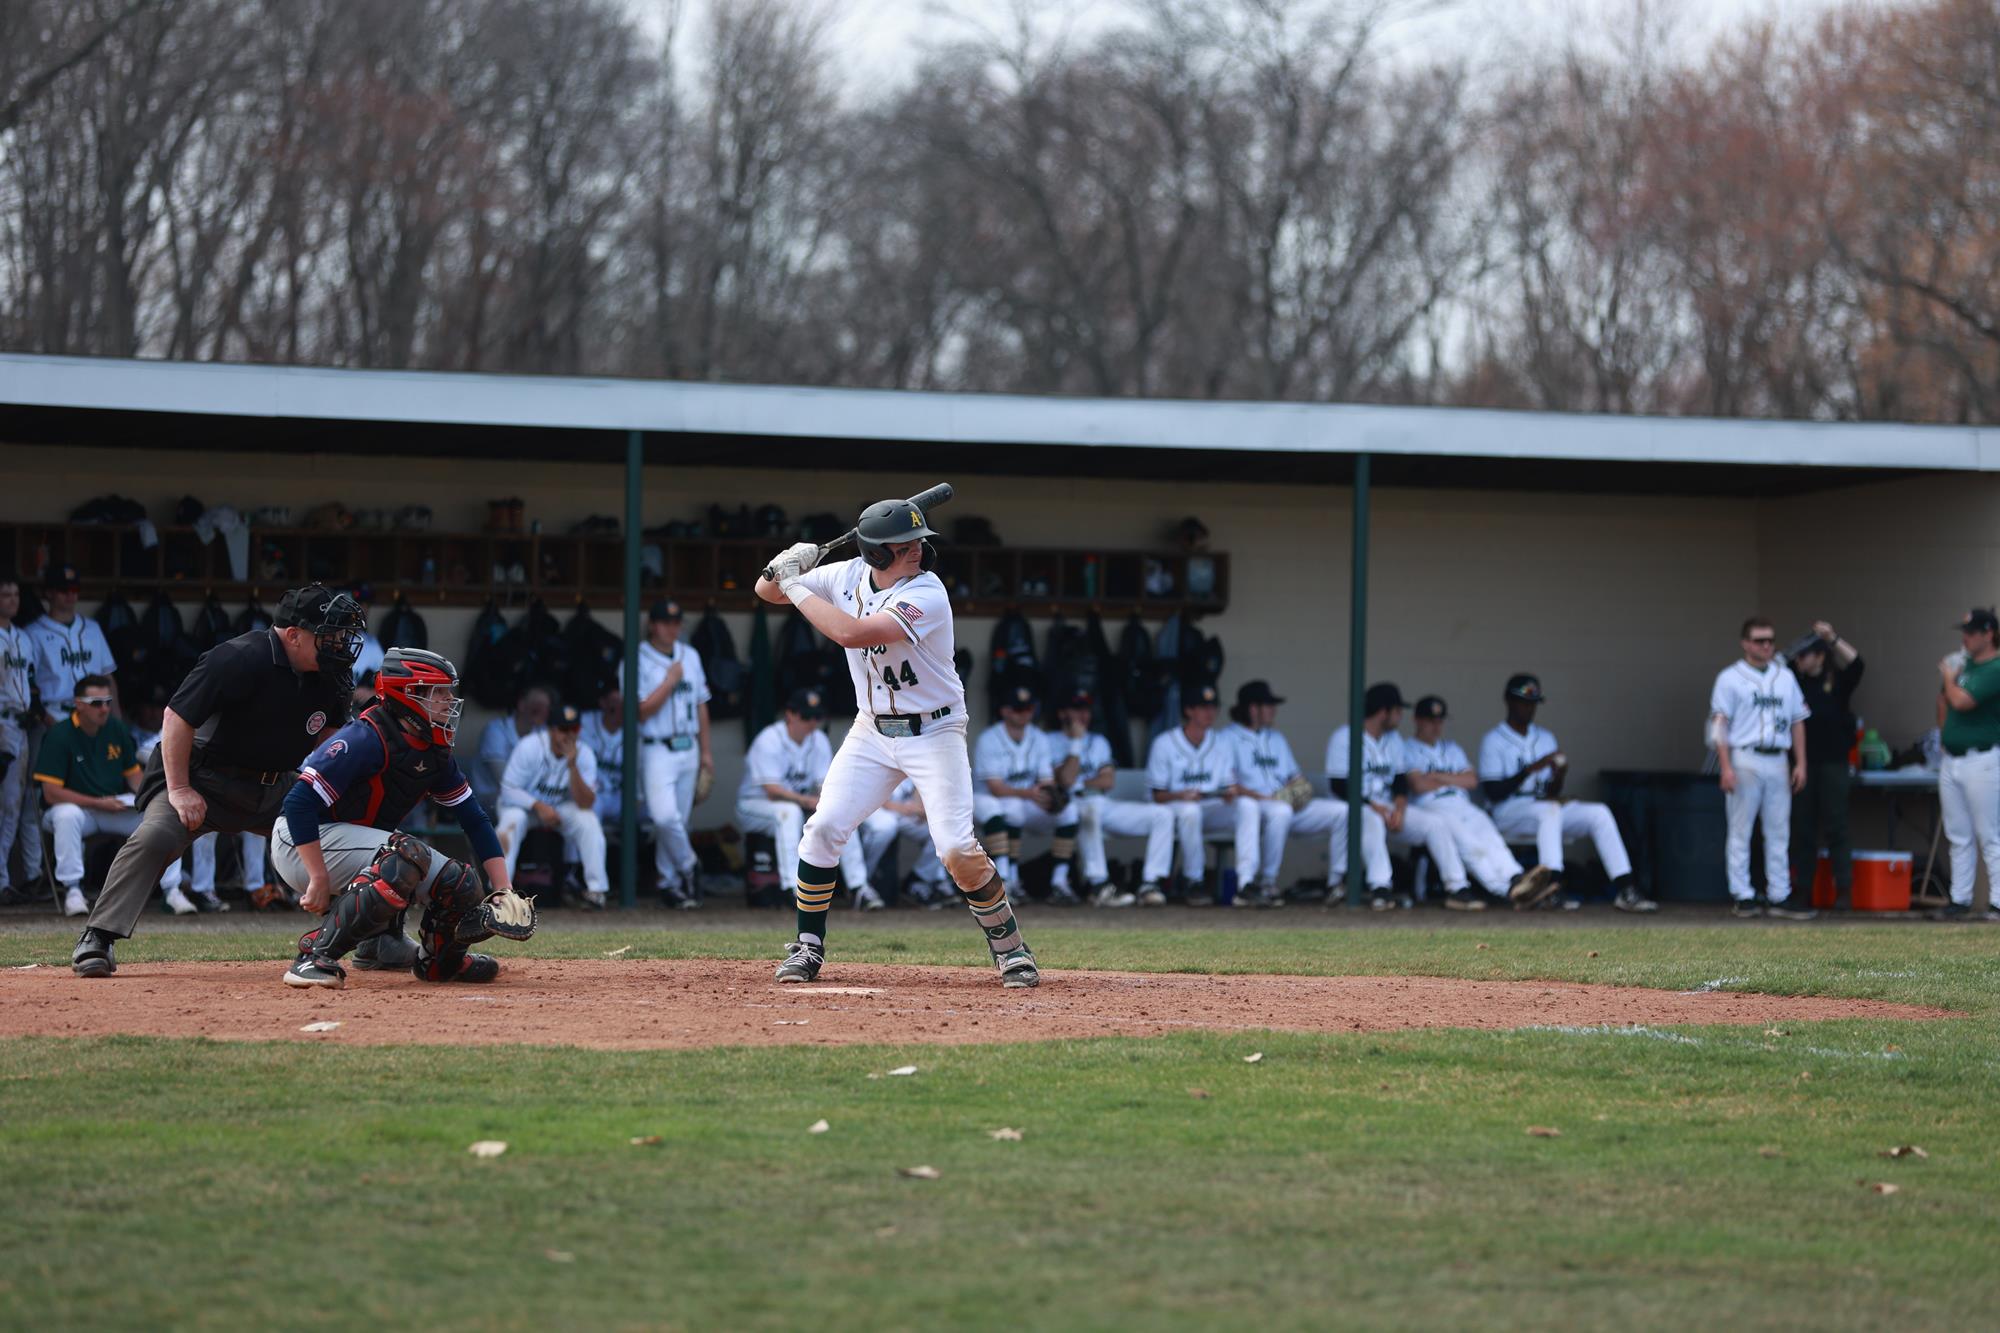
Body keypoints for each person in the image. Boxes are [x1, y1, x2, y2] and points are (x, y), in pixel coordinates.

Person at [754, 495, 1038, 987]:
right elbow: (767, 592)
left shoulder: (928, 592)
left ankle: (1010, 948)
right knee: (822, 829)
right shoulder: (843, 576)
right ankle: (807, 946)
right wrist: (779, 568)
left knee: (954, 848)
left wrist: (796, 584)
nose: (916, 551)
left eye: (918, 542)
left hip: (935, 730)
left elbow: (852, 633)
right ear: (875, 554)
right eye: (902, 545)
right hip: (872, 730)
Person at [70, 585, 364, 978]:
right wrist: (178, 789)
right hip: (202, 778)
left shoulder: (328, 673)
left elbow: (331, 737)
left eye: (342, 634)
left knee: (353, 824)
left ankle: (379, 934)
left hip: (275, 786)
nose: (339, 644)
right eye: (329, 634)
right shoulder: (238, 656)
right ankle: (97, 936)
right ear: (293, 634)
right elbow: (177, 718)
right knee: (155, 836)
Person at [275, 647, 533, 987]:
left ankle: (439, 962)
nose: (448, 700)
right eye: (438, 691)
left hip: (354, 847)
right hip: (301, 841)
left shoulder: (434, 748)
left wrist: (504, 890)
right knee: (405, 856)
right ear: (408, 694)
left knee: (461, 883)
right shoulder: (366, 736)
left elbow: (475, 819)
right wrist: (317, 878)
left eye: (448, 691)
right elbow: (298, 803)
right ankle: (312, 957)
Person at [1327, 683, 1518, 911]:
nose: (1400, 716)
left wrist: (1399, 807)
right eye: (1397, 710)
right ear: (1383, 711)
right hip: (1356, 807)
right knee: (1371, 818)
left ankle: (1456, 887)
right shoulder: (1345, 737)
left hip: (1388, 807)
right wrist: (1373, 806)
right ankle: (1381, 887)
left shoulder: (1394, 739)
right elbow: (1339, 785)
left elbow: (1399, 780)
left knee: (1435, 824)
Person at [1477, 674, 1651, 912]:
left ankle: (1626, 888)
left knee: (1598, 813)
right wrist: (1530, 769)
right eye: (1523, 701)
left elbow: (1552, 792)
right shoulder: (1493, 740)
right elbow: (1494, 792)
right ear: (1508, 701)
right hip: (1507, 810)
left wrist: (1559, 775)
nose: (1528, 708)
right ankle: (1553, 888)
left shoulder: (1546, 737)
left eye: (1533, 703)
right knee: (1549, 811)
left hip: (1544, 809)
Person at [35, 674, 191, 917]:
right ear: (78, 704)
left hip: (113, 806)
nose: (105, 708)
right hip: (75, 810)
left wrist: (154, 799)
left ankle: (172, 891)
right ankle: (73, 890)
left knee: (162, 818)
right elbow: (51, 794)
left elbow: (135, 778)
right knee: (67, 815)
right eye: (97, 703)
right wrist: (98, 803)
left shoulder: (116, 729)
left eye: (108, 701)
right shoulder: (60, 734)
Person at [1402, 695, 1557, 911]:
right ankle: (1505, 890)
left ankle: (1515, 877)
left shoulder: (1452, 748)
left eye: (1439, 720)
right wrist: (1453, 778)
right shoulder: (1406, 747)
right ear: (1417, 720)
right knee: (1469, 844)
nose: (1436, 726)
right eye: (1430, 720)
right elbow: (1418, 785)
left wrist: (1436, 776)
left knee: (1489, 834)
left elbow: (1472, 780)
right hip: (1431, 806)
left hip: (1461, 803)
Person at [737, 688, 886, 911]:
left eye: (816, 717)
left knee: (839, 815)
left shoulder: (818, 740)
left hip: (798, 803)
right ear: (790, 714)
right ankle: (794, 888)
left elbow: (821, 783)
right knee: (789, 813)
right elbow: (772, 790)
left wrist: (824, 802)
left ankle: (858, 887)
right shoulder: (769, 739)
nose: (812, 723)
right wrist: (806, 801)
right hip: (755, 805)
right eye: (806, 717)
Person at [1709, 617, 1815, 920]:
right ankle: (1743, 894)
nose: (1766, 645)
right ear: (1745, 643)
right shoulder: (1730, 677)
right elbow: (1720, 725)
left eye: (1769, 640)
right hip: (1746, 756)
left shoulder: (1785, 677)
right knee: (1741, 830)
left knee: (1779, 830)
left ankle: (1779, 894)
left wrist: (1801, 763)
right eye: (1759, 640)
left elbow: (1798, 721)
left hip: (1778, 757)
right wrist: (1725, 766)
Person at [1220, 679, 1358, 908]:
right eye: (1269, 705)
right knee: (1280, 810)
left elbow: (1296, 778)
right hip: (1252, 806)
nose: (1274, 710)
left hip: (1282, 804)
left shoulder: (1276, 738)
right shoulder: (1227, 738)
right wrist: (1268, 798)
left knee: (1342, 812)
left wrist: (1299, 791)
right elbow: (1230, 786)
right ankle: (1267, 882)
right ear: (1253, 708)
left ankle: (1336, 882)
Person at [624, 600, 712, 908]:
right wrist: (669, 682)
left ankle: (670, 884)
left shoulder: (691, 655)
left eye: (676, 622)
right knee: (664, 818)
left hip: (688, 745)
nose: (672, 628)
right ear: (653, 625)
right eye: (666, 622)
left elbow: (701, 703)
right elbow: (640, 712)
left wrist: (707, 753)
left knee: (680, 822)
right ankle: (690, 866)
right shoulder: (635, 660)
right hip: (656, 747)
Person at [1145, 681, 1259, 906]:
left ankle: (1246, 883)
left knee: (1248, 806)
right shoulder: (1165, 743)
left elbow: (1228, 785)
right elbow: (1158, 795)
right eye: (1203, 707)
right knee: (1190, 810)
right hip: (1175, 808)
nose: (1210, 712)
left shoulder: (1221, 742)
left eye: (1213, 707)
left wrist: (1229, 793)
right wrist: (1180, 795)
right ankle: (1193, 880)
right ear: (1189, 710)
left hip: (1210, 806)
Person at [1048, 691, 1165, 908]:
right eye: (1076, 709)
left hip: (1102, 803)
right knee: (1088, 808)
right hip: (1070, 807)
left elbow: (1108, 781)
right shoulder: (1050, 741)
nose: (1082, 715)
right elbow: (1065, 780)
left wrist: (1080, 784)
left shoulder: (1099, 741)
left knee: (1162, 814)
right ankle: (1098, 884)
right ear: (1062, 713)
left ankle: (1150, 883)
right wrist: (1075, 743)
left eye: (1086, 709)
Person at [973, 682, 1081, 905]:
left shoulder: (1038, 737)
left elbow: (1046, 779)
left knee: (1070, 811)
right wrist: (1031, 794)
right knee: (1012, 808)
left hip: (1025, 799)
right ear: (1005, 711)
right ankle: (1005, 880)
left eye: (1029, 709)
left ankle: (1059, 882)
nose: (1025, 714)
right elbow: (996, 787)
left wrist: (1049, 795)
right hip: (988, 799)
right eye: (1019, 709)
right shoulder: (989, 738)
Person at [496, 703, 610, 909]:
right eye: (563, 730)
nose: (568, 736)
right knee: (511, 823)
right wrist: (538, 805)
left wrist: (572, 765)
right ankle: (500, 893)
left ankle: (596, 891)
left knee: (588, 821)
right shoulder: (530, 746)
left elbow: (586, 802)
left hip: (559, 808)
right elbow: (508, 789)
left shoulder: (583, 753)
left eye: (573, 730)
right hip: (524, 806)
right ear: (551, 730)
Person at [1787, 623, 1864, 908]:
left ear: (1819, 656)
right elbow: (1777, 665)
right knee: (1802, 828)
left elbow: (1858, 664)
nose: (1800, 661)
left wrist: (1831, 638)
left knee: (1836, 826)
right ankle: (1802, 890)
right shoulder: (1793, 680)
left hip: (1833, 763)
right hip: (1802, 764)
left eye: (1806, 655)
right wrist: (1795, 648)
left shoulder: (1837, 681)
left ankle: (1843, 890)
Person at [1935, 608, 2000, 922]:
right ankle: (1960, 898)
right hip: (1954, 759)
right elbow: (1944, 702)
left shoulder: (1995, 667)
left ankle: (1998, 902)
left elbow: (1961, 700)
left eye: (1972, 632)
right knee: (1957, 834)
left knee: (1990, 834)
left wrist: (1948, 677)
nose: (1966, 637)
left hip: (1983, 759)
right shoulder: (1966, 666)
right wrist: (1946, 736)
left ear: (1989, 633)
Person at [27, 564, 117, 724]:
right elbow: (28, 684)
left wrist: (116, 718)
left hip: (96, 714)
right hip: (56, 715)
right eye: (64, 590)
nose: (70, 595)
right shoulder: (33, 633)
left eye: (74, 589)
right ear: (49, 593)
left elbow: (107, 675)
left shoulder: (92, 628)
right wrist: (47, 720)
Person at [0, 577, 42, 905]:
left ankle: (11, 880)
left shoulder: (23, 638)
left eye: (14, 594)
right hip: (1, 724)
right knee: (6, 806)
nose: (11, 600)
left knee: (16, 805)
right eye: (5, 594)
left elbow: (30, 679)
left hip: (21, 727)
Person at [472, 686, 550, 817]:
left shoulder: (542, 734)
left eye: (546, 707)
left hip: (524, 798)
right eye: (537, 705)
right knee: (519, 810)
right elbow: (504, 782)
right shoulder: (496, 730)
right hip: (488, 800)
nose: (542, 710)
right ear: (522, 705)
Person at [579, 683, 627, 830]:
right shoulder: (583, 723)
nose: (619, 708)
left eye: (623, 704)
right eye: (614, 703)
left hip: (620, 797)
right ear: (603, 703)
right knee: (585, 818)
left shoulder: (637, 730)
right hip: (594, 795)